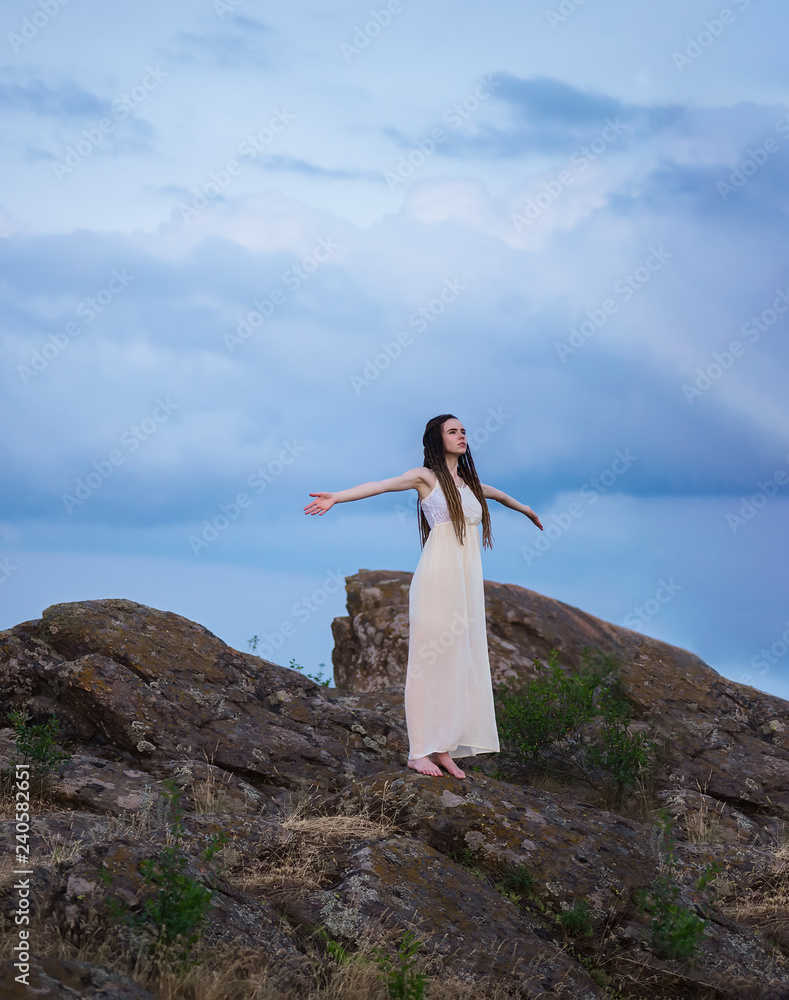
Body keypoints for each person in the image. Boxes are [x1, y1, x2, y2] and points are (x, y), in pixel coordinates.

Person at [303, 413, 543, 779]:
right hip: (436, 580)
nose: (462, 435)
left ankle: (443, 748)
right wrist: (337, 496)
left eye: (464, 431)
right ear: (436, 438)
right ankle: (418, 752)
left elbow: (503, 496)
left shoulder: (470, 484)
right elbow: (381, 485)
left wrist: (525, 510)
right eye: (453, 431)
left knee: (458, 661)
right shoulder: (425, 477)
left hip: (464, 585)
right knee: (428, 663)